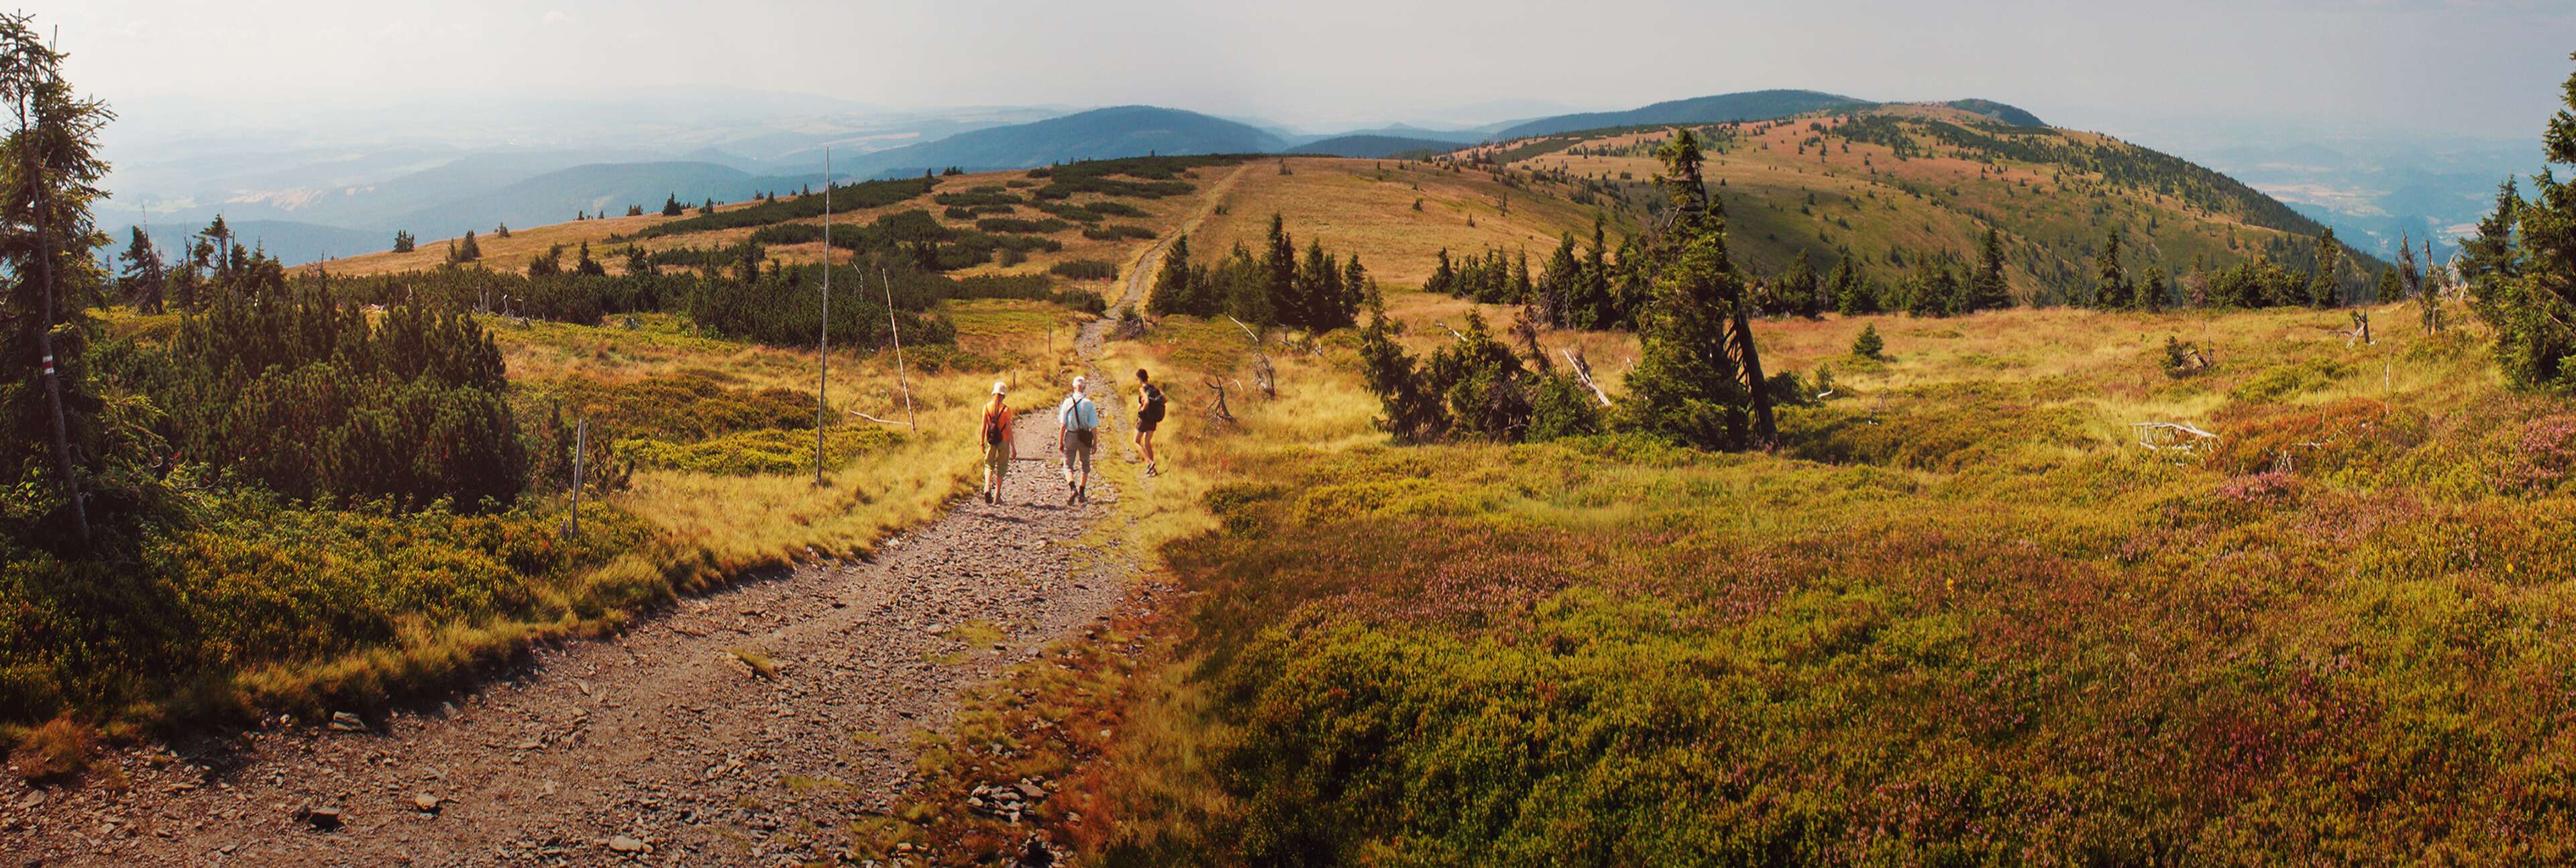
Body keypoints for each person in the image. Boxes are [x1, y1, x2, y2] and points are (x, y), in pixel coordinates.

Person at [1056, 375, 1101, 504]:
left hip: (1070, 435)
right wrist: (1095, 443)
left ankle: (1072, 488)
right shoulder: (1089, 403)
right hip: (1085, 437)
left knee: (1068, 465)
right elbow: (1093, 426)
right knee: (1085, 465)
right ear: (1084, 387)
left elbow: (1063, 425)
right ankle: (1082, 492)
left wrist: (1060, 442)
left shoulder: (1067, 402)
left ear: (1074, 387)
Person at [978, 380, 1014, 505]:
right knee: (1002, 467)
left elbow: (983, 428)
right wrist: (1014, 447)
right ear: (1003, 395)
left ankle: (987, 488)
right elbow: (1009, 430)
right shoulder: (1006, 410)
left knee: (989, 464)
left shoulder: (987, 408)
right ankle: (997, 496)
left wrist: (982, 443)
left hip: (991, 440)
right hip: (1003, 440)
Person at [1132, 368, 1165, 476]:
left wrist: (1142, 409)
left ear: (1140, 378)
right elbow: (1165, 398)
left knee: (1136, 442)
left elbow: (1146, 401)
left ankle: (1148, 462)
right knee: (1147, 443)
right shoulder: (1154, 388)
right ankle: (1153, 470)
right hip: (1153, 420)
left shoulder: (1142, 389)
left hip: (1144, 419)